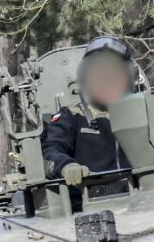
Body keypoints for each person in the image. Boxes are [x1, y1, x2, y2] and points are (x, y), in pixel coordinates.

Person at [41, 36, 136, 185]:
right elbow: (50, 151)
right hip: (89, 201)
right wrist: (66, 165)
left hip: (143, 198)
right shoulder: (70, 115)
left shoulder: (141, 112)